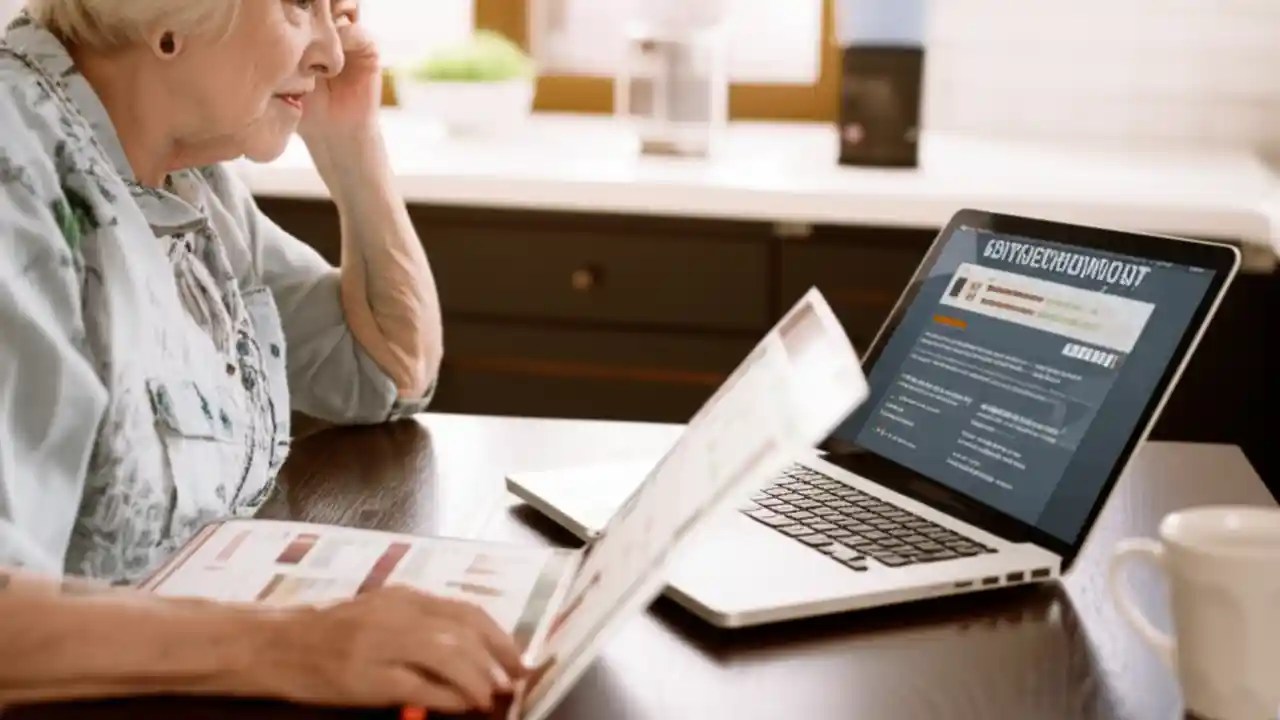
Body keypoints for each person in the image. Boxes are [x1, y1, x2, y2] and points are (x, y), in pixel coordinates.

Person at [0, 0, 529, 712]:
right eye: (297, 6)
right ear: (171, 20)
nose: (334, 53)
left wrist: (351, 142)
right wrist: (293, 647)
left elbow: (385, 369)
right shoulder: (18, 182)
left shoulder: (181, 169)